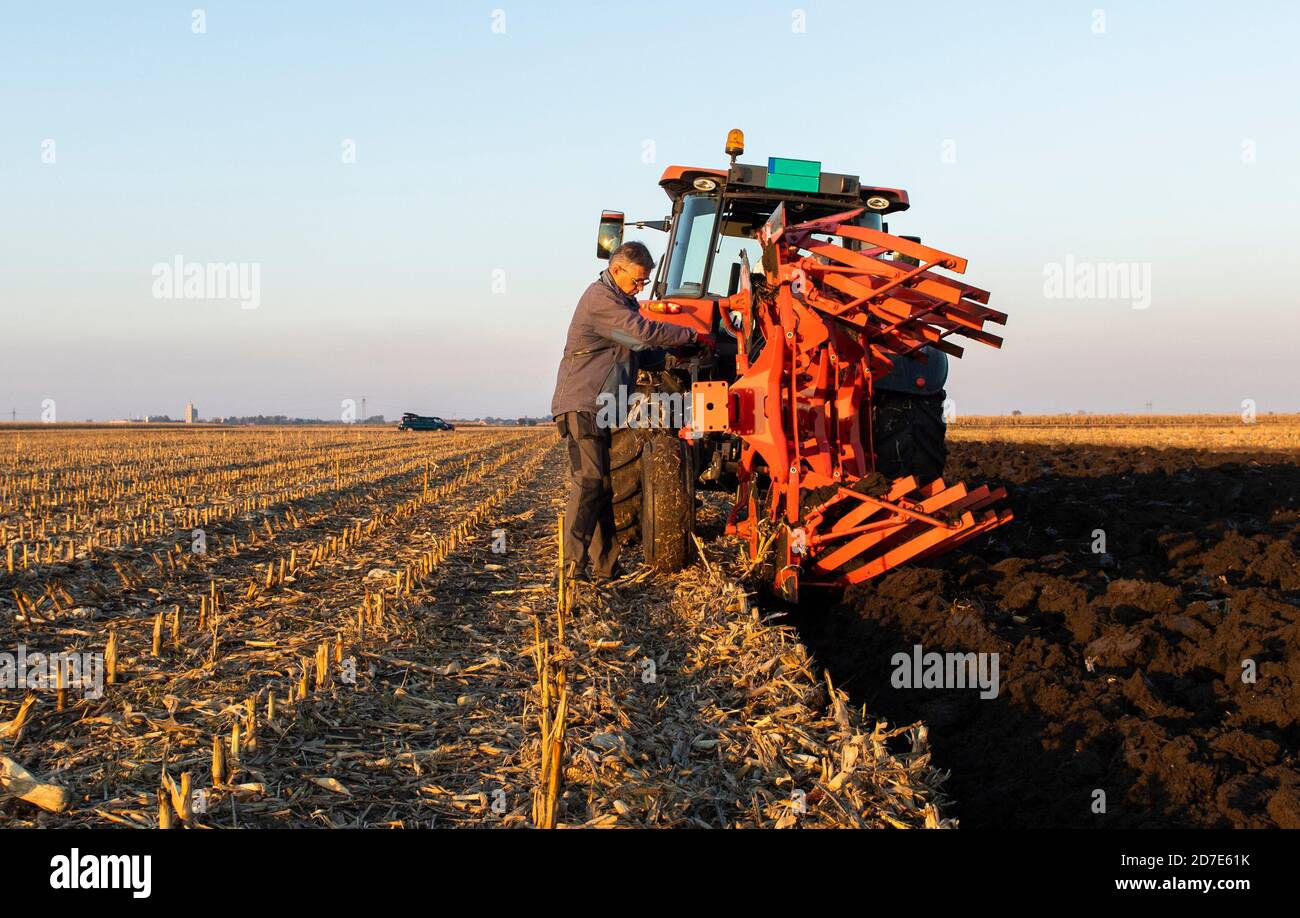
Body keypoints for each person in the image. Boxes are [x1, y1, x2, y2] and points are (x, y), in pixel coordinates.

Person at [550, 241, 708, 582]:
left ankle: (607, 568)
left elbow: (638, 353)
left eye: (645, 281)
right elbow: (642, 334)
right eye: (638, 280)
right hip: (582, 403)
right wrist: (689, 334)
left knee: (604, 487)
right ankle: (568, 572)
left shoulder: (622, 303)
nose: (641, 286)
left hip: (605, 406)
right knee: (589, 483)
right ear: (617, 269)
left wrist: (674, 358)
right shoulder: (600, 300)